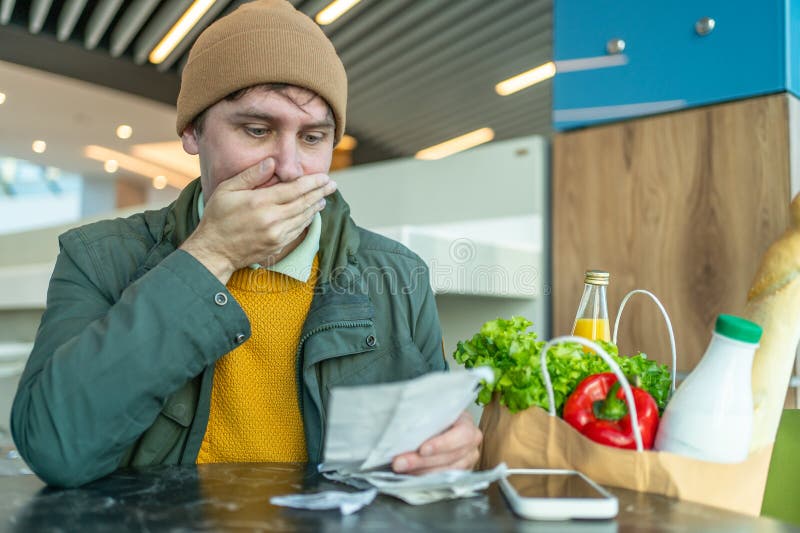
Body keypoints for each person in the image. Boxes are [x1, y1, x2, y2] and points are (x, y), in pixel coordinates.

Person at [10, 0, 481, 487]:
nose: (290, 166)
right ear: (193, 131)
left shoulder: (399, 275)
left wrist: (449, 448)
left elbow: (430, 444)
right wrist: (212, 254)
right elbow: (54, 448)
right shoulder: (99, 258)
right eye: (257, 130)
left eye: (314, 137)